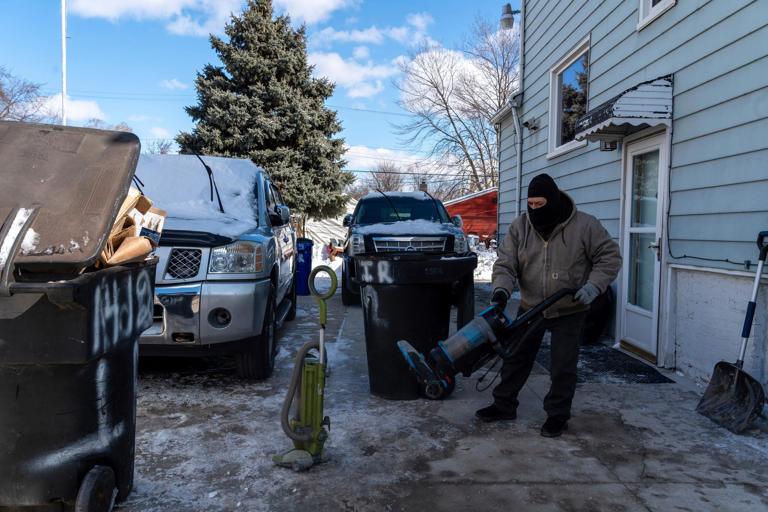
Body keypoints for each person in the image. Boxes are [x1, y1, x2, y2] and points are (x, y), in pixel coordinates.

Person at [476, 173, 622, 437]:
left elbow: (609, 257)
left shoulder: (584, 226)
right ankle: (503, 404)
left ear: (552, 201)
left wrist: (593, 286)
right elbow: (506, 263)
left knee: (562, 366)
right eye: (530, 204)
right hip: (531, 306)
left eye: (539, 204)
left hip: (569, 307)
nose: (534, 210)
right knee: (516, 357)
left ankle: (557, 415)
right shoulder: (520, 227)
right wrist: (501, 290)